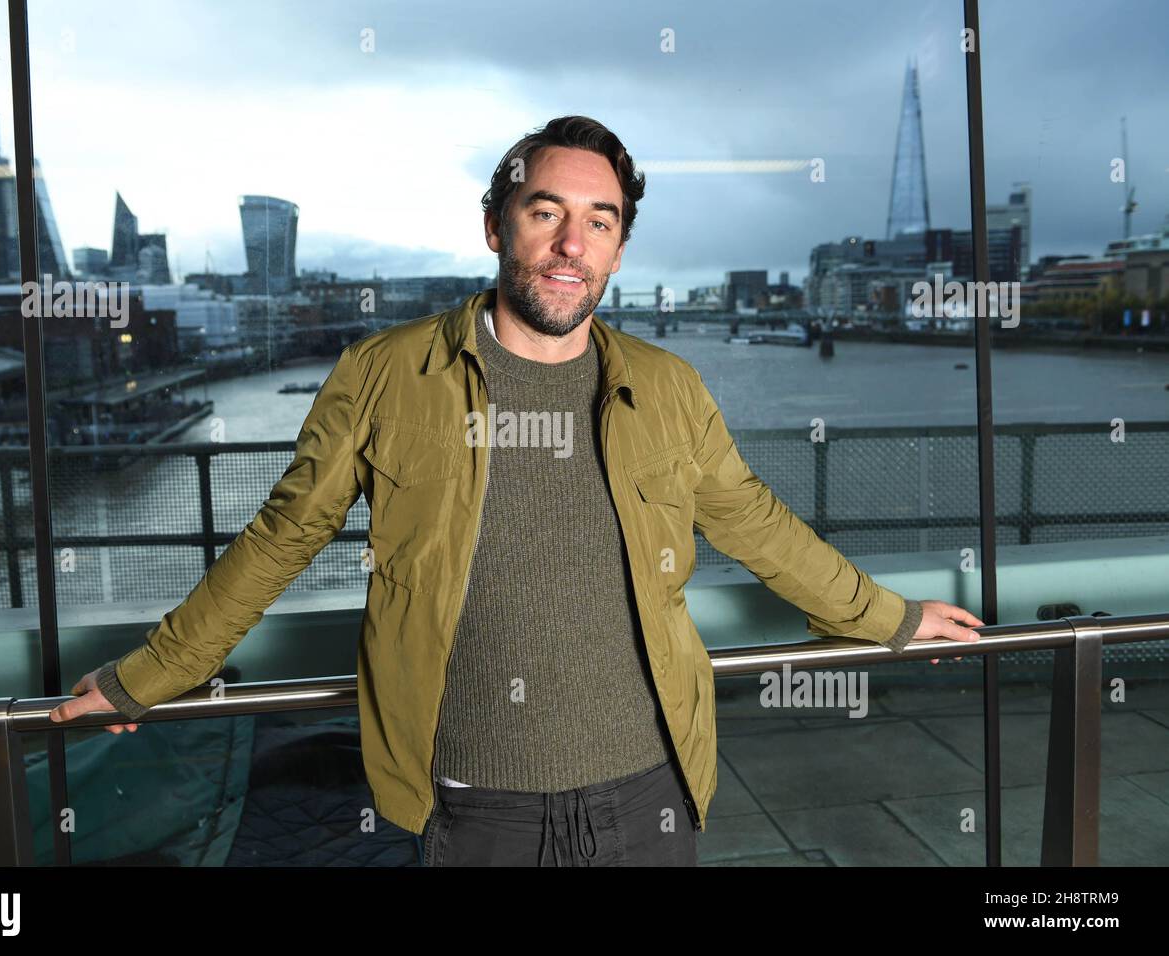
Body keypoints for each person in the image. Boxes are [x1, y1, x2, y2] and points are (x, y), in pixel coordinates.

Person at [51, 115, 982, 866]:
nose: (572, 243)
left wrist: (889, 617)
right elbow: (283, 537)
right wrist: (148, 677)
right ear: (496, 226)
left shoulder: (667, 388)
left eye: (602, 221)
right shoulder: (383, 375)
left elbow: (759, 525)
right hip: (473, 808)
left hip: (651, 795)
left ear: (619, 251)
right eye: (547, 212)